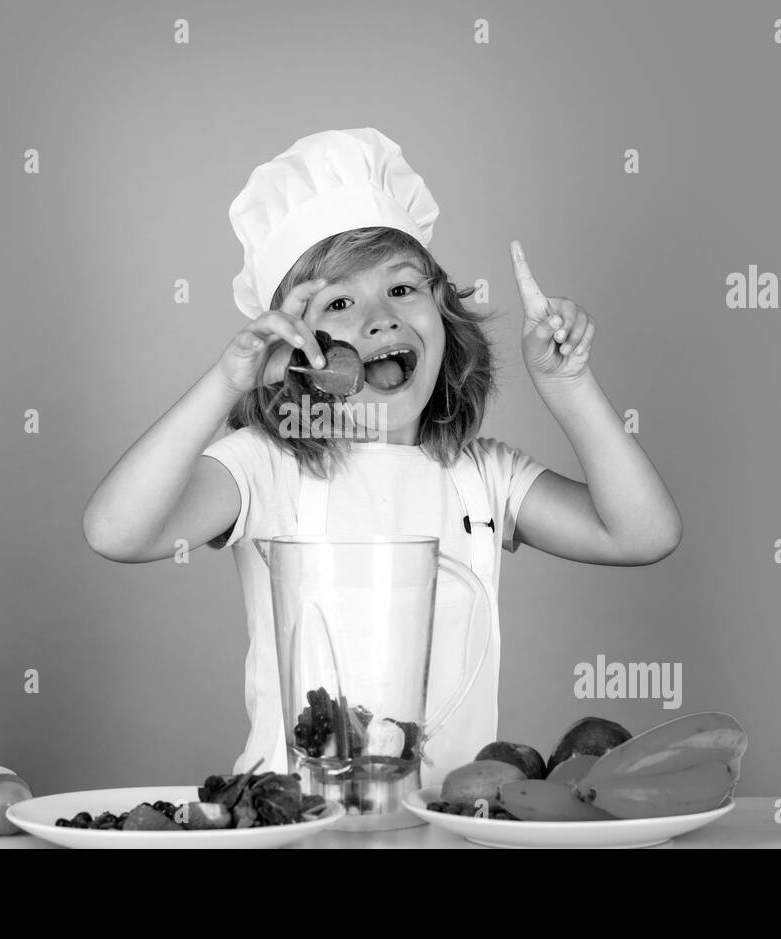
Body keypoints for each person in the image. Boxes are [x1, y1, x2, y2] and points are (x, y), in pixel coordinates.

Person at [83, 128, 682, 786]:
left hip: (449, 827)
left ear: (445, 318)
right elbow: (117, 531)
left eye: (402, 289)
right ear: (298, 349)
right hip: (292, 829)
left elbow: (642, 533)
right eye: (338, 302)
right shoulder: (267, 467)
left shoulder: (485, 476)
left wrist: (569, 388)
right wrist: (228, 378)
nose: (377, 317)